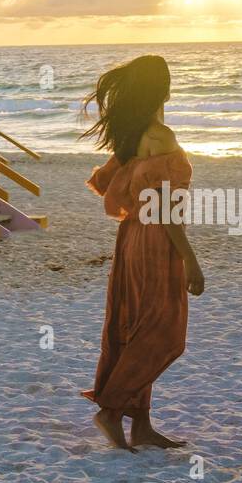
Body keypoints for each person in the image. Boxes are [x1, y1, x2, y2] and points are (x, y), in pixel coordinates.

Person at [80, 54, 204, 451]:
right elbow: (166, 210)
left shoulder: (133, 136)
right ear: (162, 89)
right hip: (155, 243)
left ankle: (143, 425)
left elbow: (108, 181)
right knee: (164, 333)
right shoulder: (161, 137)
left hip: (131, 239)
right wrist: (190, 258)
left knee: (135, 329)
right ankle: (112, 410)